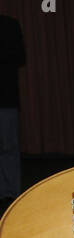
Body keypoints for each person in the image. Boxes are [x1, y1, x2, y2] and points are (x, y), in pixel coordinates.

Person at [0, 14, 23, 207]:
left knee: (8, 147)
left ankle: (11, 192)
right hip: (6, 97)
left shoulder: (9, 25)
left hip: (5, 96)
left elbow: (20, 57)